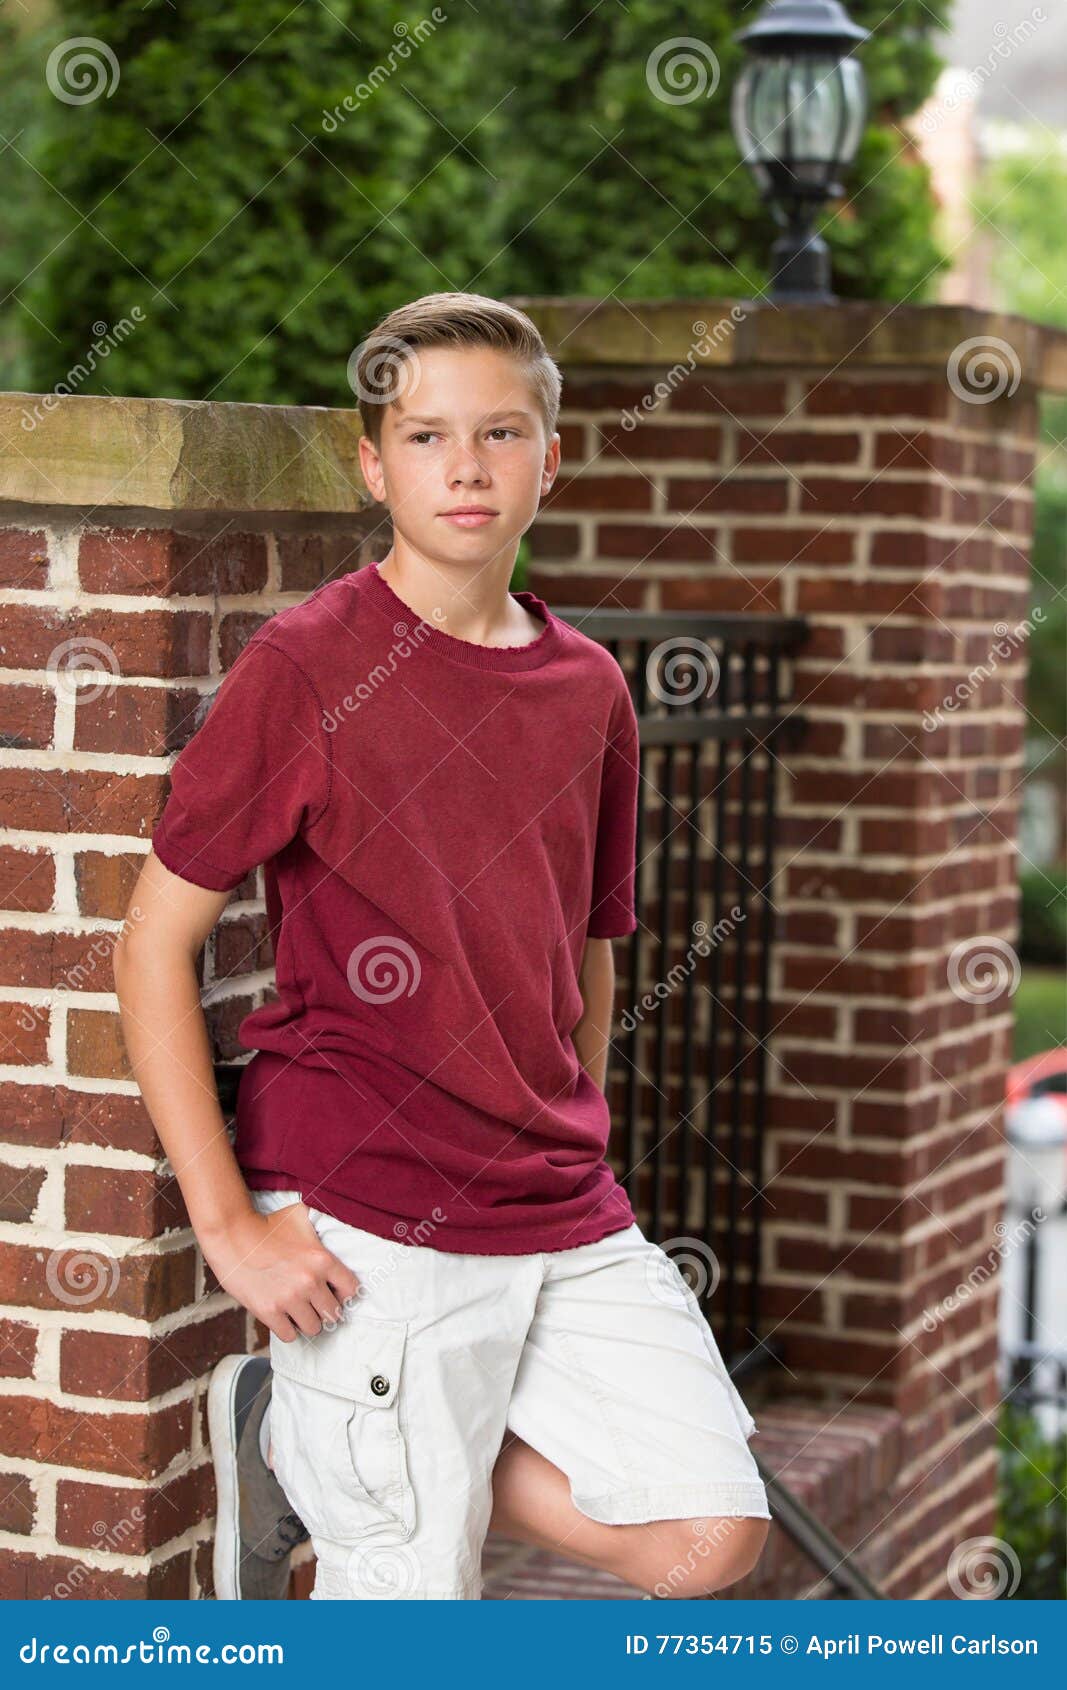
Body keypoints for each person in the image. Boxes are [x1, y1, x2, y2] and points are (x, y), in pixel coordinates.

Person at [114, 291, 770, 1603]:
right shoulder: (308, 666)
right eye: (425, 437)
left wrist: (572, 1114)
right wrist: (229, 1222)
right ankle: (331, 1460)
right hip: (370, 1189)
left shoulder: (589, 685)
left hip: (556, 1194)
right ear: (374, 464)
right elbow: (149, 947)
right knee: (413, 1610)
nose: (465, 466)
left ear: (551, 457)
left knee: (710, 1530)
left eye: (500, 432)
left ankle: (311, 1453)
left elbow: (587, 944)